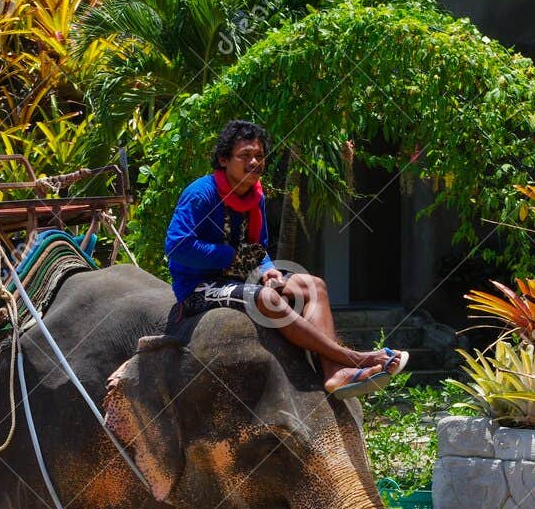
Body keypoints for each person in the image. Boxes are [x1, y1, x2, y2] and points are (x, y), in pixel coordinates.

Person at [164, 119, 407, 398]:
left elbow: (259, 248)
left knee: (314, 286)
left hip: (243, 278)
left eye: (259, 155)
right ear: (223, 159)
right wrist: (229, 257)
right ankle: (353, 357)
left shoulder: (255, 196)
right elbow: (177, 246)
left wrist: (268, 269)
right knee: (267, 298)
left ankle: (334, 373)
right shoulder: (201, 194)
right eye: (245, 155)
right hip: (199, 287)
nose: (254, 162)